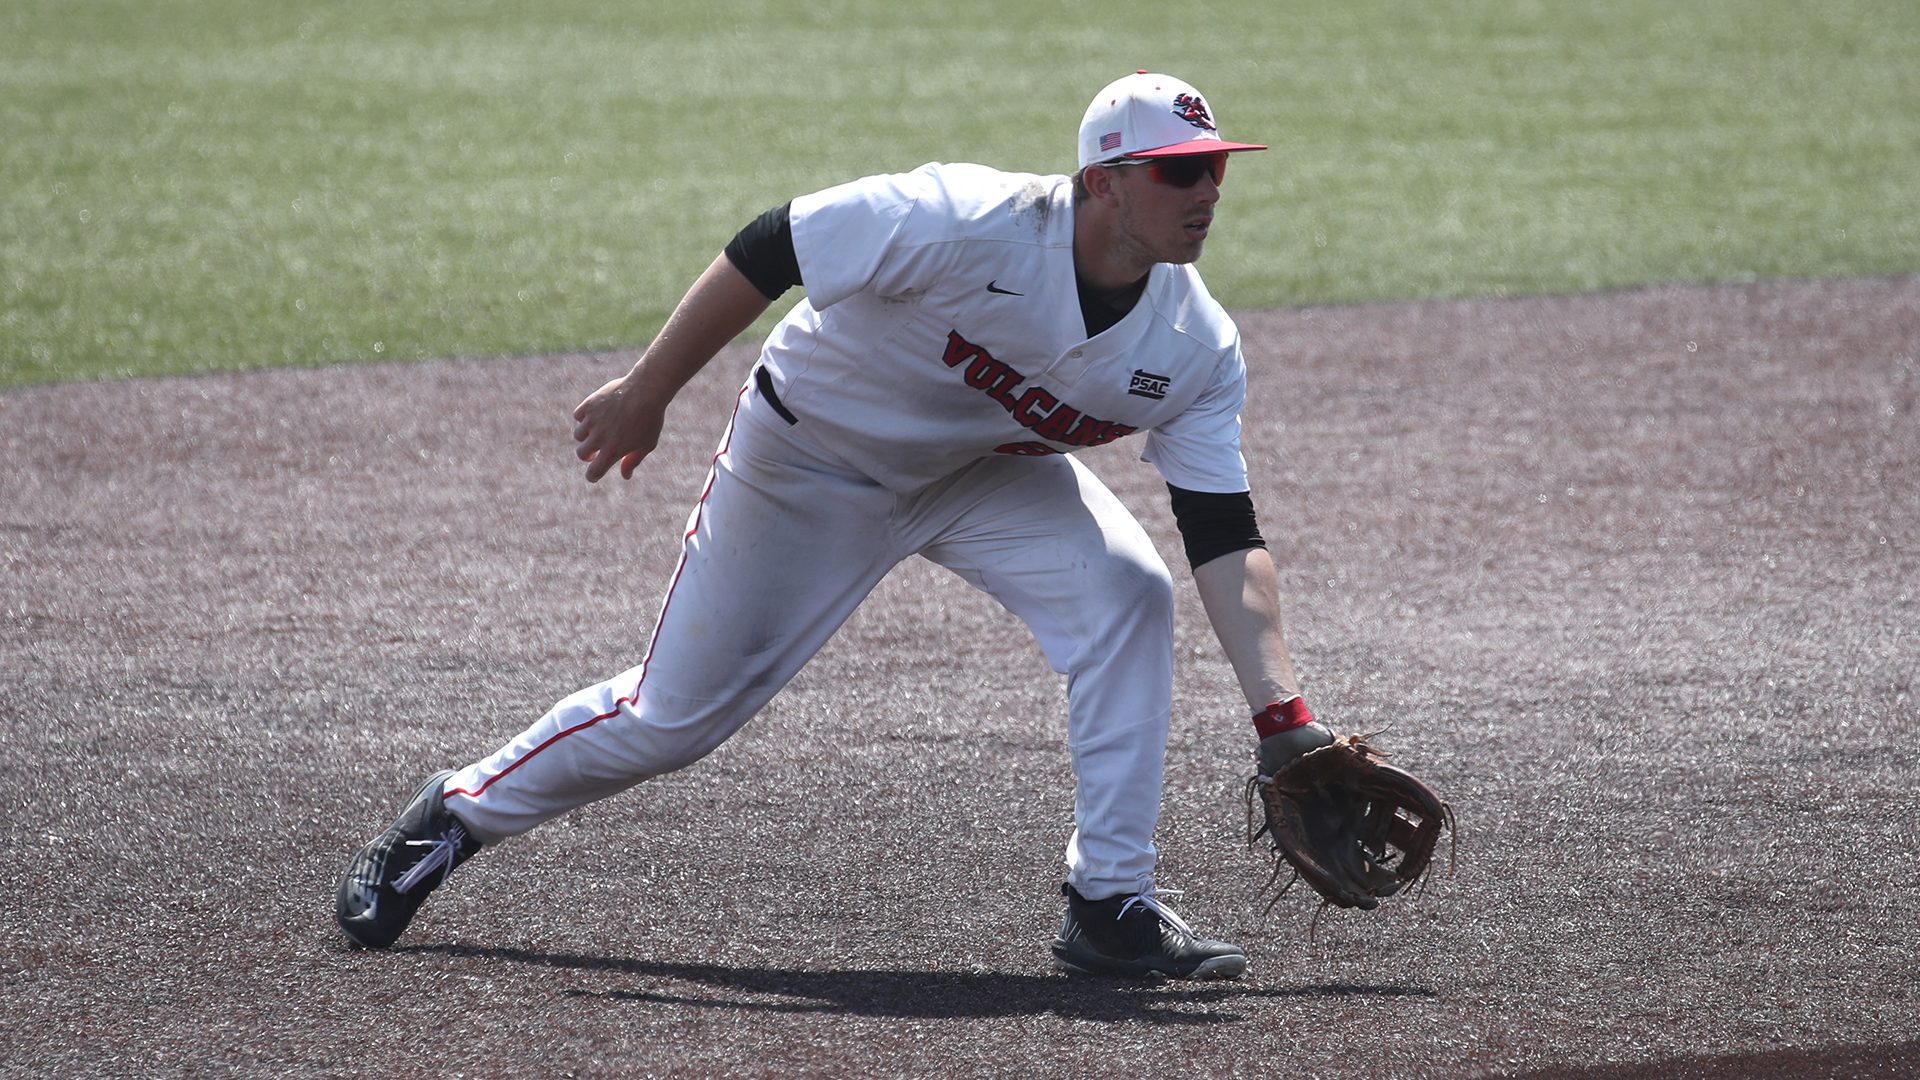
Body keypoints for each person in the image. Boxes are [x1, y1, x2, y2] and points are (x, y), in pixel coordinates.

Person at [335, 71, 1336, 981]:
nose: (1205, 192)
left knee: (1130, 593)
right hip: (813, 458)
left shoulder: (1194, 345)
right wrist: (650, 389)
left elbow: (1222, 531)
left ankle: (1109, 903)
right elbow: (775, 242)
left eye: (1213, 169)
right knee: (673, 718)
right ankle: (453, 817)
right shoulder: (966, 219)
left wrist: (1282, 717)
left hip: (976, 475)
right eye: (1177, 171)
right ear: (1104, 181)